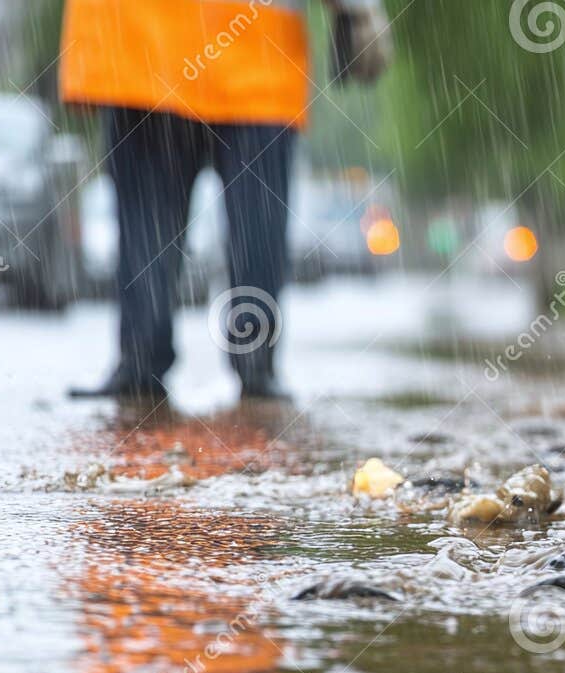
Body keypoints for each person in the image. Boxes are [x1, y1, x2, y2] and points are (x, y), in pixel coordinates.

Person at [59, 0, 392, 401]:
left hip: (147, 49)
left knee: (149, 228)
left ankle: (143, 362)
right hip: (250, 55)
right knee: (256, 231)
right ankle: (249, 369)